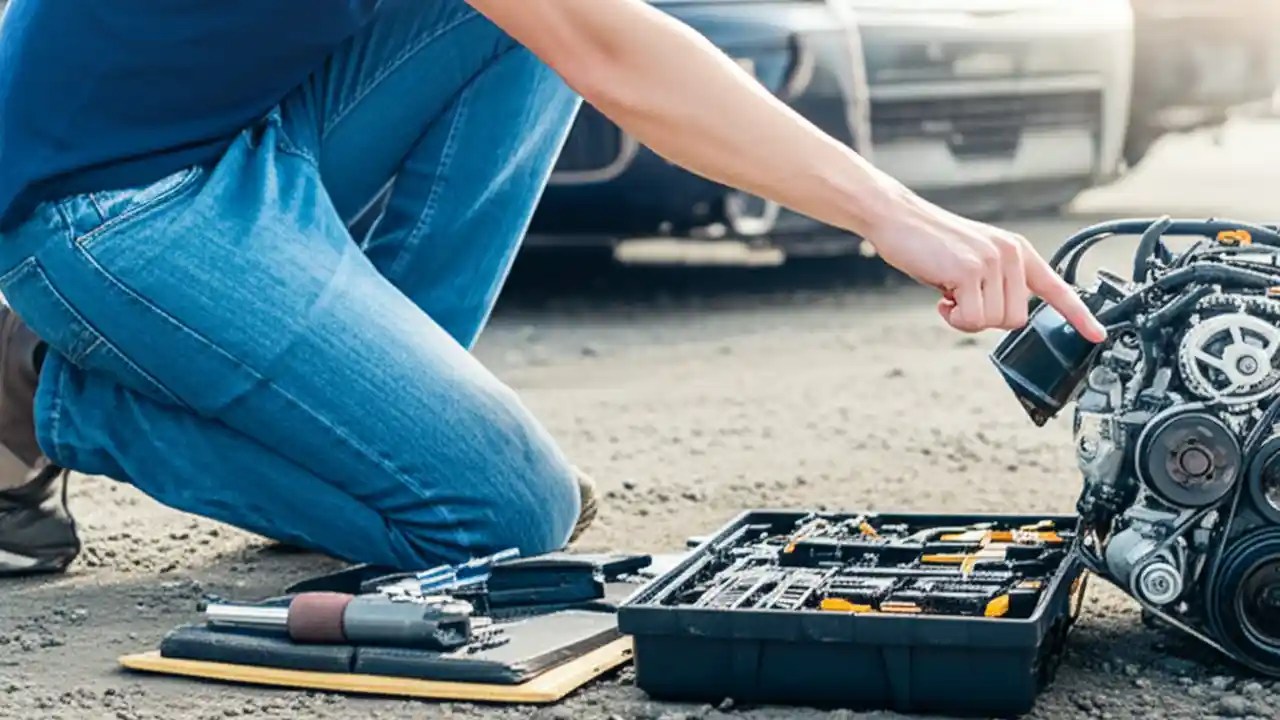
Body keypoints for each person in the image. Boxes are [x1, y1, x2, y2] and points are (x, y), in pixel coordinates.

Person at [0, 0, 1107, 577]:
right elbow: (625, 66)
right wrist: (897, 217)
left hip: (241, 132)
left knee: (520, 24)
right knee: (500, 514)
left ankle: (353, 430)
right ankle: (37, 390)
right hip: (103, 203)